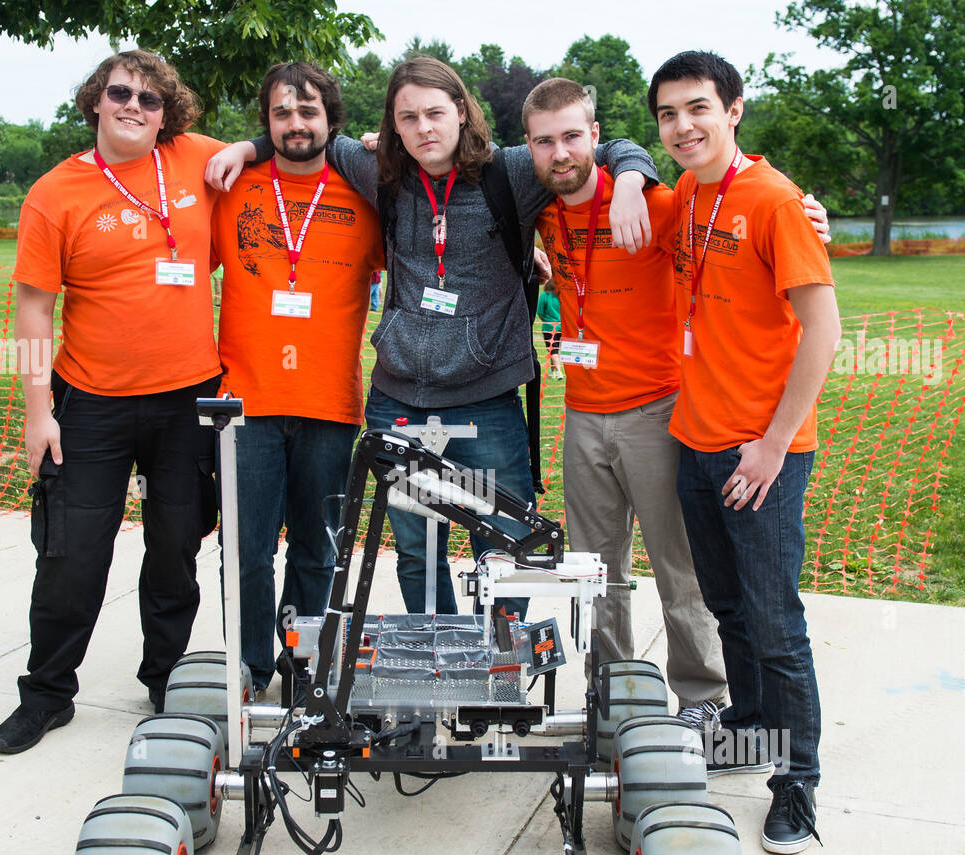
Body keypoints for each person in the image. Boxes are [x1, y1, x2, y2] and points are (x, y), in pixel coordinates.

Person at [208, 55, 660, 617]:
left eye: (436, 113)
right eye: (409, 116)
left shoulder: (511, 173)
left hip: (489, 403)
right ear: (393, 126)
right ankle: (440, 661)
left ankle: (498, 667)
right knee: (419, 552)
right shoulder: (380, 173)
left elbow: (602, 147)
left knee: (504, 547)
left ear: (462, 112)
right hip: (401, 403)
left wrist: (632, 183)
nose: (424, 128)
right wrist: (242, 148)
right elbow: (305, 134)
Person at [0, 50, 225, 754]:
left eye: (151, 99)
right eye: (120, 92)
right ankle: (49, 692)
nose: (134, 106)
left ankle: (165, 680)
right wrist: (40, 409)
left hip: (188, 398)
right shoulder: (56, 191)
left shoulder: (192, 157)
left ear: (168, 113)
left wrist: (364, 143)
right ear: (96, 100)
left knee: (176, 544)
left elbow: (278, 144)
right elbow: (33, 309)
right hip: (91, 401)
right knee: (71, 552)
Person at [649, 51, 841, 852]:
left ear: (733, 110)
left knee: (772, 618)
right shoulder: (688, 194)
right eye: (666, 114)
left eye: (697, 108)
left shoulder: (775, 200)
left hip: (760, 451)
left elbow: (823, 331)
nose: (682, 126)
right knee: (725, 604)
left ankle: (797, 782)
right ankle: (752, 723)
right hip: (695, 438)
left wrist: (768, 445)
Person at [523, 77, 733, 737]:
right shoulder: (541, 211)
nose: (559, 152)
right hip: (582, 414)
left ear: (595, 137)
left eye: (572, 136)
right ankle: (613, 692)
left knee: (678, 564)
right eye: (544, 140)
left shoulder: (660, 203)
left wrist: (808, 212)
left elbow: (733, 211)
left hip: (656, 412)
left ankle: (703, 691)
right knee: (596, 567)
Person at [210, 61, 383, 697]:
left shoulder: (363, 193)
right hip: (245, 403)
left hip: (331, 405)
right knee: (247, 553)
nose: (295, 124)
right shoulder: (231, 185)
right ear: (267, 123)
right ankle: (251, 669)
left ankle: (303, 665)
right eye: (281, 113)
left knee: (318, 551)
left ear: (330, 122)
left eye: (308, 112)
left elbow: (432, 249)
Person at [535, 277, 562, 378]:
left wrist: (545, 320)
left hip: (548, 327)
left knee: (552, 350)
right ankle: (552, 371)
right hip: (561, 327)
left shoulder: (544, 296)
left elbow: (539, 312)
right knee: (554, 349)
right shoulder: (560, 296)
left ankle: (559, 372)